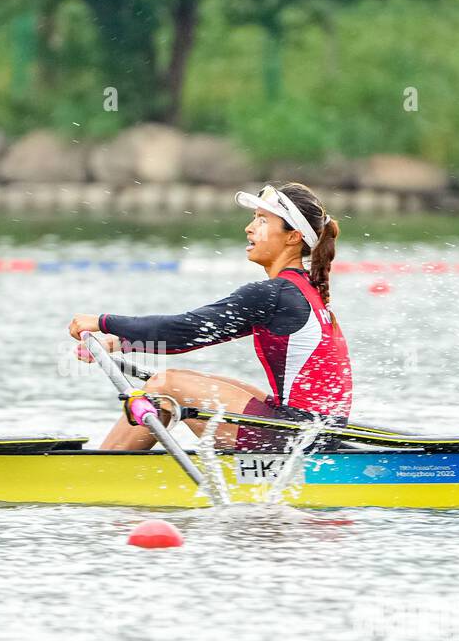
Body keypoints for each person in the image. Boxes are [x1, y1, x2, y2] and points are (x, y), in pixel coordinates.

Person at [67, 182, 350, 451]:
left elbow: (185, 328)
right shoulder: (302, 290)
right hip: (318, 431)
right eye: (254, 218)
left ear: (292, 237)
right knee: (190, 379)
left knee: (164, 385)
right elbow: (200, 334)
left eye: (262, 220)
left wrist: (102, 321)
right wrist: (119, 344)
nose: (249, 228)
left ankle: (102, 470)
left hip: (299, 436)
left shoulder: (273, 293)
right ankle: (116, 462)